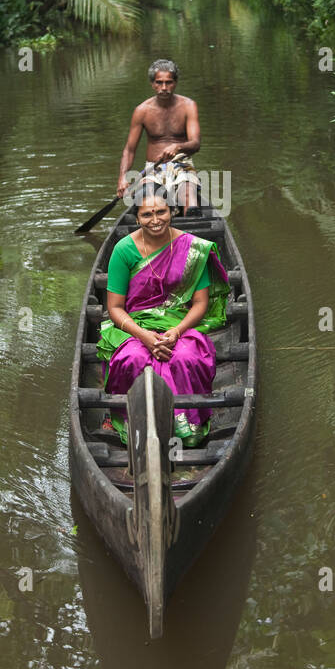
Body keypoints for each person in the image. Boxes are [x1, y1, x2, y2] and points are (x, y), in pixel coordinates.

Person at [98, 187, 229, 447]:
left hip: (179, 324)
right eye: (147, 214)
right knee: (132, 358)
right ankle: (127, 422)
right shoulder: (124, 250)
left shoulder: (190, 248)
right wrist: (144, 336)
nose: (155, 220)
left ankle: (186, 428)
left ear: (172, 212)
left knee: (186, 357)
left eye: (161, 212)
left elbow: (200, 303)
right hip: (136, 326)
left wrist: (177, 332)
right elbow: (115, 307)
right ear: (137, 218)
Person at [116, 59, 202, 214]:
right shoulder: (142, 111)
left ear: (175, 83)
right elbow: (129, 149)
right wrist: (122, 177)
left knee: (189, 196)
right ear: (152, 84)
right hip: (153, 169)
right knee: (147, 201)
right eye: (159, 82)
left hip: (182, 165)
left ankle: (189, 231)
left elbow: (196, 144)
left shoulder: (188, 106)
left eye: (168, 82)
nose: (164, 88)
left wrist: (178, 146)